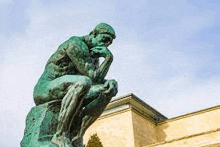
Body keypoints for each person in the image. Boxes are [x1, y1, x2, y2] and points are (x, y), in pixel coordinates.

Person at [33, 23, 118, 147]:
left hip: (73, 88)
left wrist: (108, 81)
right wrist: (109, 59)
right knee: (84, 82)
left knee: (109, 89)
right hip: (45, 89)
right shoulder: (75, 43)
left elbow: (97, 81)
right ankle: (60, 135)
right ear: (94, 33)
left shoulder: (94, 55)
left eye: (108, 43)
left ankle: (76, 136)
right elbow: (92, 78)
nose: (105, 45)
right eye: (104, 39)